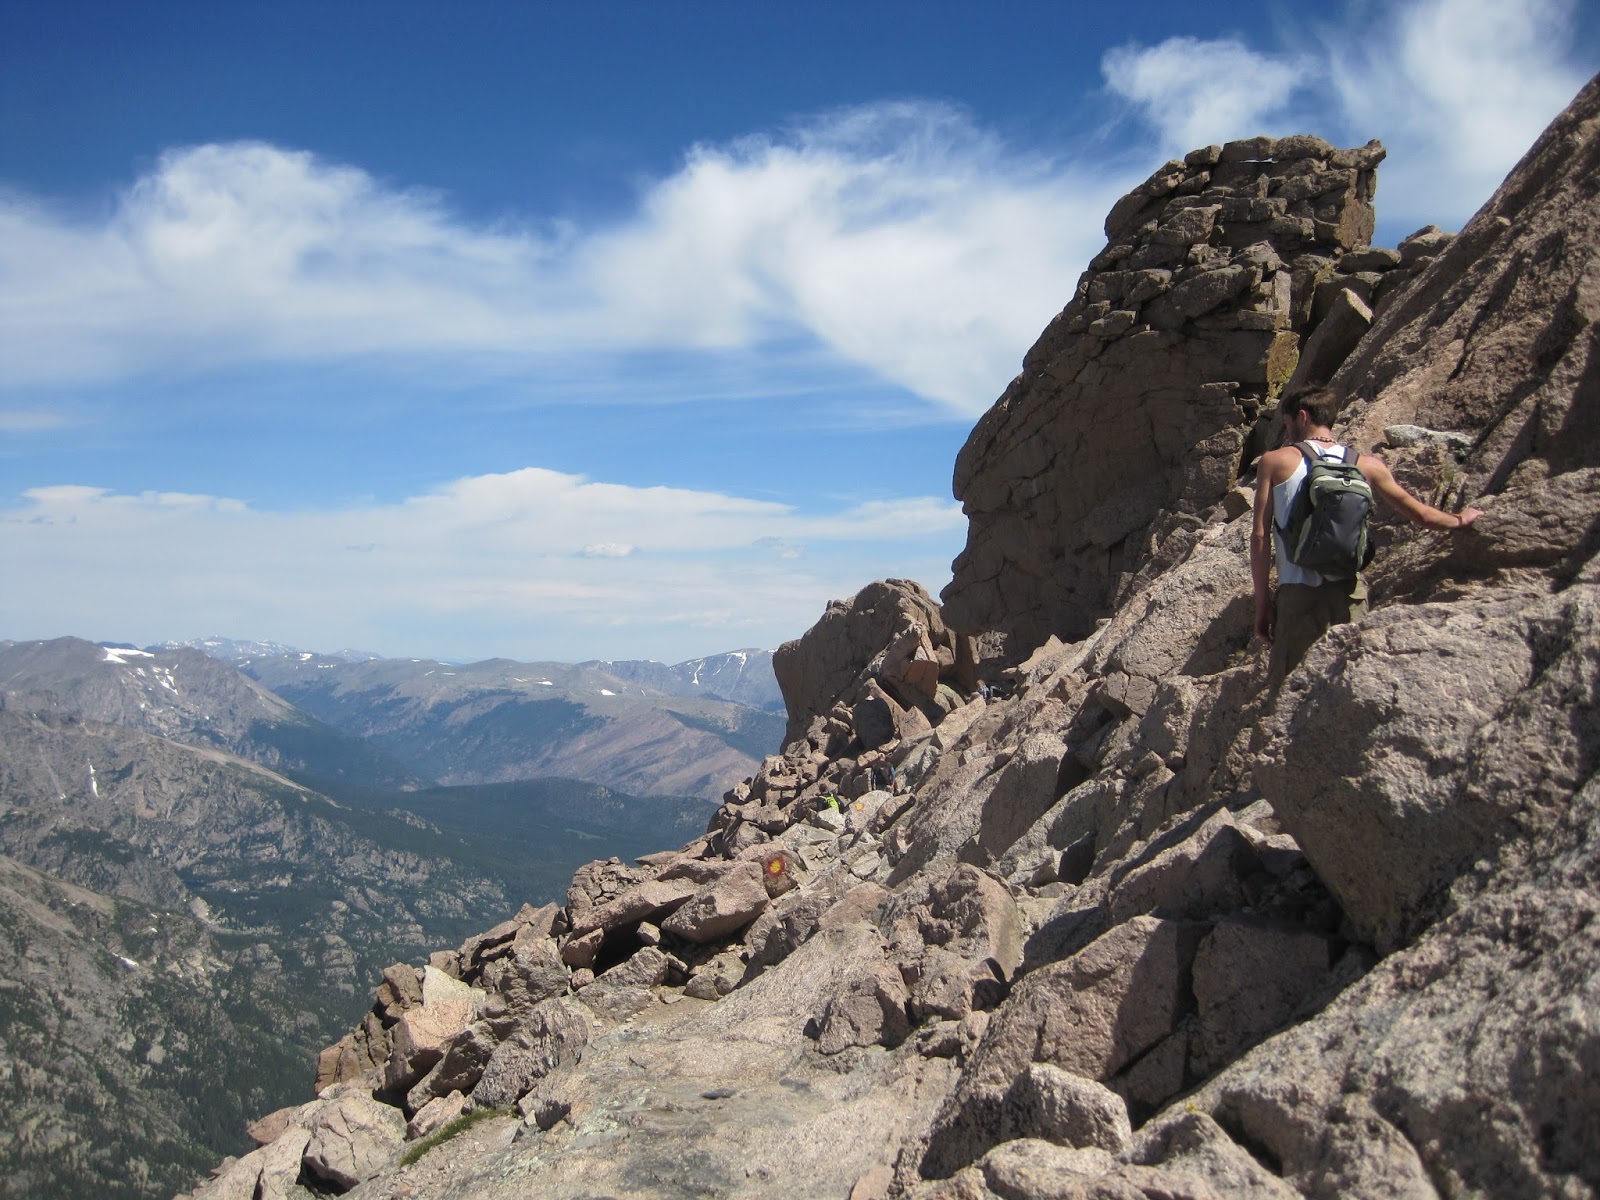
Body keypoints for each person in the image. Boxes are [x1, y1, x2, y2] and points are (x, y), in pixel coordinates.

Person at [1251, 389, 1483, 686]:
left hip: (1298, 594)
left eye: (1287, 424)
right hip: (1350, 592)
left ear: (1302, 416)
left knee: (1288, 688)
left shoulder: (1275, 461)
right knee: (1347, 683)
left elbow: (1260, 537)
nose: (1287, 432)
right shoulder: (1367, 465)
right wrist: (1461, 520)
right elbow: (1421, 516)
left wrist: (1263, 604)